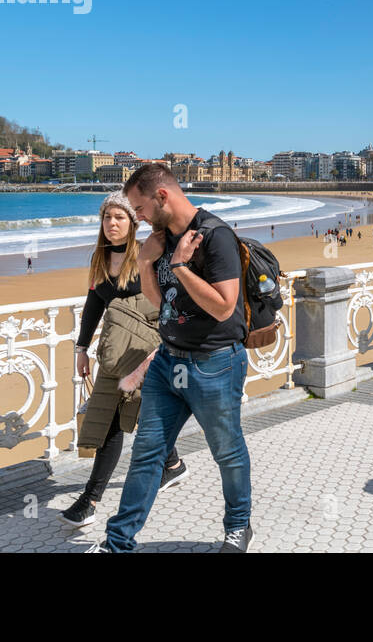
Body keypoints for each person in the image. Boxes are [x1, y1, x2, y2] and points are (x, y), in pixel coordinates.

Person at [90, 163, 253, 553]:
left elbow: (223, 308)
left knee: (227, 452)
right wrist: (148, 262)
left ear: (162, 196)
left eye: (140, 208)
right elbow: (161, 304)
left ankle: (238, 527)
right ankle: (118, 542)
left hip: (215, 363)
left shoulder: (215, 236)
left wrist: (180, 265)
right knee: (147, 452)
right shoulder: (160, 240)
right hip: (167, 362)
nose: (138, 217)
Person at [62, 192, 187, 529]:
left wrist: (163, 347)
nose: (112, 224)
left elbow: (169, 301)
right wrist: (81, 349)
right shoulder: (100, 260)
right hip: (116, 354)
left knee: (142, 418)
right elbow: (93, 306)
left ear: (132, 223)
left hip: (149, 353)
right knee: (114, 420)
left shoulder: (148, 255)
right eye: (107, 218)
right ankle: (94, 497)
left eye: (119, 218)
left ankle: (166, 467)